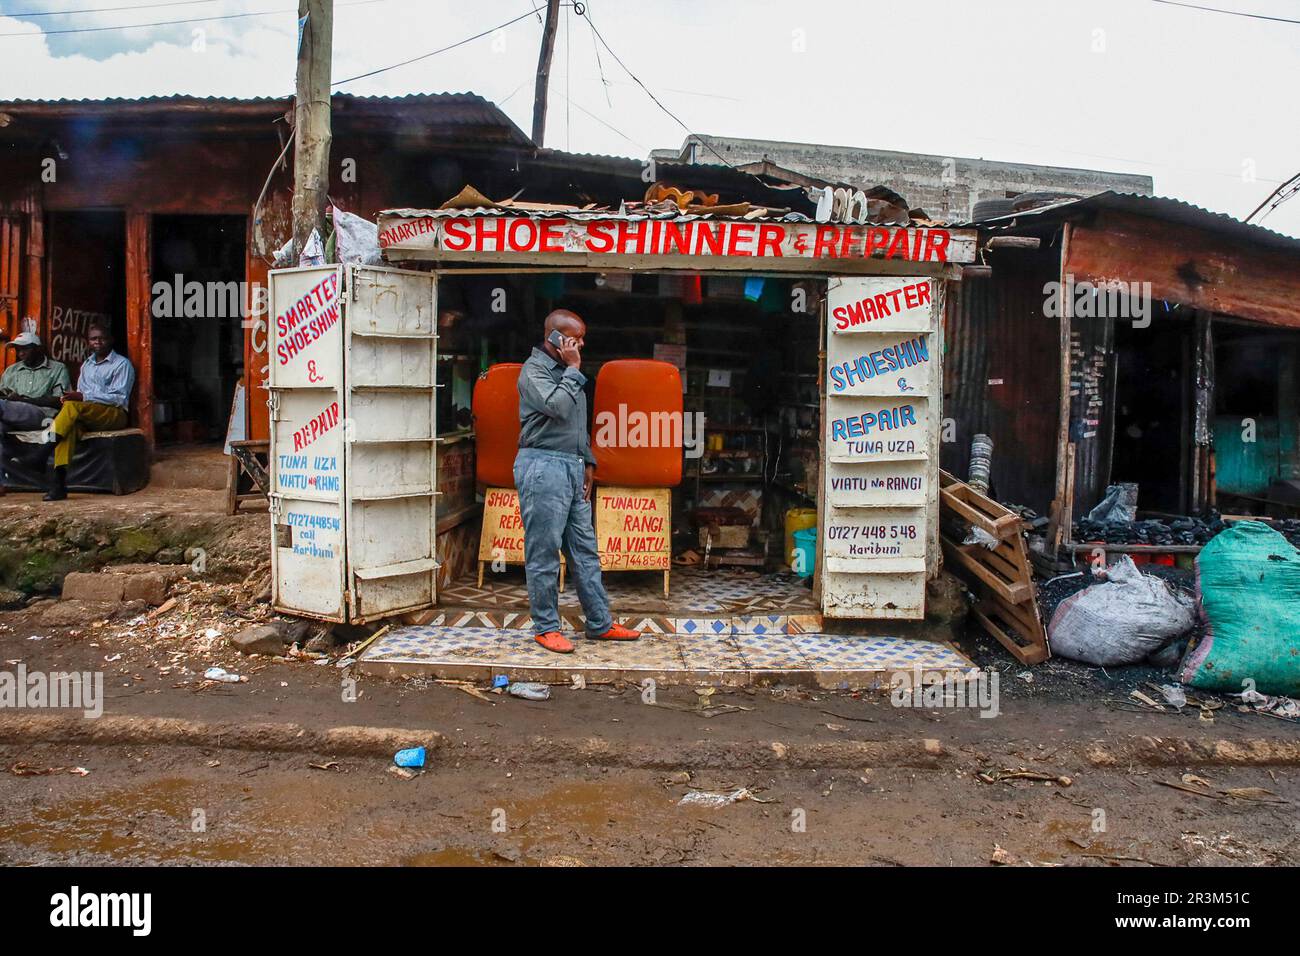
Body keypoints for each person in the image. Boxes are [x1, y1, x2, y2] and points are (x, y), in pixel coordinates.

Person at [515, 309, 641, 653]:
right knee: (543, 553)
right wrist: (572, 369)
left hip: (571, 466)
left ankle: (599, 623)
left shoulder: (567, 370)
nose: (582, 344)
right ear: (555, 337)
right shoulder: (534, 371)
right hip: (543, 466)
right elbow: (556, 406)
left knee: (585, 551)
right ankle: (545, 627)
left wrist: (587, 460)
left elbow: (576, 421)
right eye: (576, 338)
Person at [43, 324, 135, 502]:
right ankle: (59, 483)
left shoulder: (122, 364)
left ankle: (43, 449)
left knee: (73, 408)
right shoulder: (87, 364)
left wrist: (83, 397)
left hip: (114, 414)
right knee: (70, 427)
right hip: (89, 414)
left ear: (111, 340)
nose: (98, 342)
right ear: (88, 342)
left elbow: (119, 397)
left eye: (102, 338)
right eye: (93, 339)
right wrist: (72, 397)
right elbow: (80, 394)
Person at [0, 332, 72, 495]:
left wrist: (23, 400)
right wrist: (8, 398)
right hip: (11, 414)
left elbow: (60, 400)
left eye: (25, 349)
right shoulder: (12, 371)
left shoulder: (57, 369)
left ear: (39, 349)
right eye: (18, 350)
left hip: (41, 415)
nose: (21, 354)